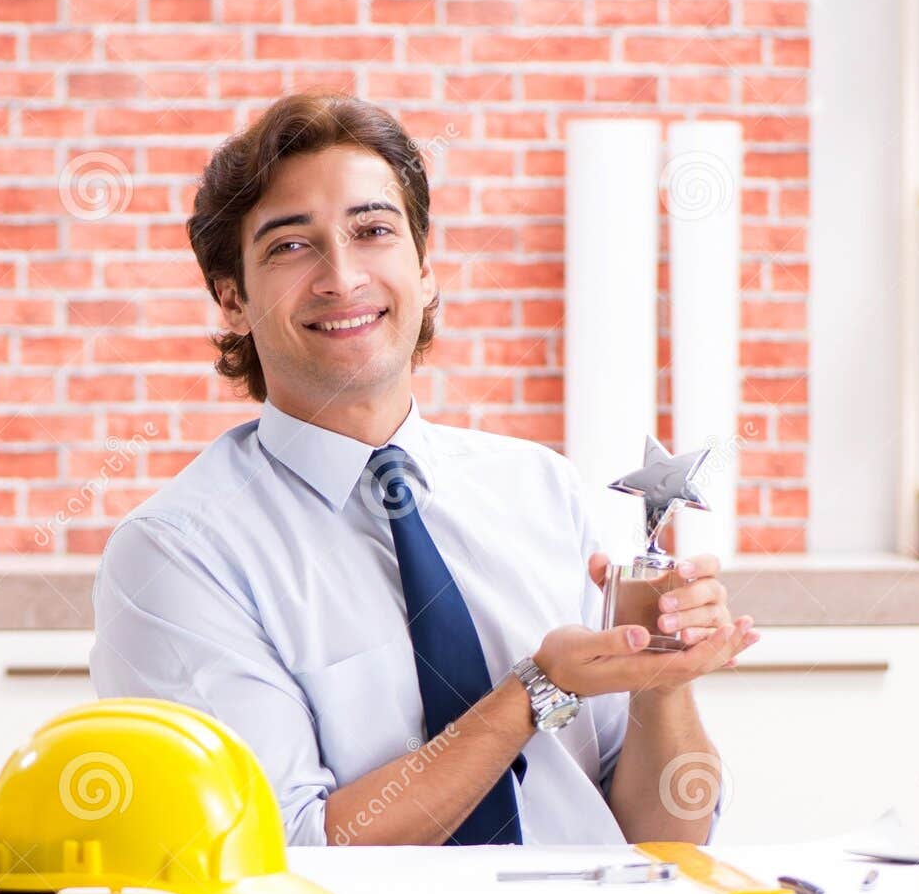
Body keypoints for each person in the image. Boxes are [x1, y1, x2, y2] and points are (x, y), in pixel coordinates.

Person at [90, 91, 759, 847]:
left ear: (426, 269)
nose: (342, 277)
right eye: (291, 245)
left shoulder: (542, 489)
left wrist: (660, 683)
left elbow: (665, 839)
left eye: (373, 231)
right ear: (232, 300)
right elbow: (285, 853)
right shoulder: (174, 553)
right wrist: (536, 691)